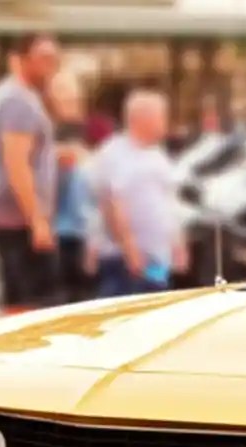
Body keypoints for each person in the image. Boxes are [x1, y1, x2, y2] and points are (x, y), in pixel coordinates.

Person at [0, 32, 61, 315]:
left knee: (17, 300)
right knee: (29, 306)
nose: (51, 65)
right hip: (18, 220)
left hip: (10, 217)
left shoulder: (10, 95)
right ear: (22, 60)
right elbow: (16, 163)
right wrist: (37, 220)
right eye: (44, 59)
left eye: (54, 59)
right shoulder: (19, 102)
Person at [93, 90, 187, 298]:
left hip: (157, 259)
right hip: (125, 260)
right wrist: (129, 249)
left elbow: (168, 202)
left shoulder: (158, 155)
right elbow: (112, 204)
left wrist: (177, 243)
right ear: (142, 119)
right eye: (162, 116)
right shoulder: (114, 154)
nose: (165, 123)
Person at [48, 71, 95, 304]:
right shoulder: (48, 133)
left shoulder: (81, 132)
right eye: (65, 97)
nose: (72, 104)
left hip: (82, 232)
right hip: (59, 234)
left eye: (75, 98)